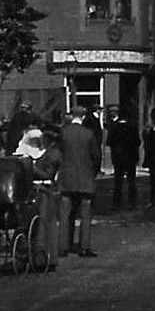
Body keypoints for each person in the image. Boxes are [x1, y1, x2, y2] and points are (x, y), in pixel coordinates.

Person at [13, 125, 62, 271]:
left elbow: (48, 174)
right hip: (35, 191)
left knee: (44, 223)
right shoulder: (41, 151)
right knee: (33, 223)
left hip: (45, 192)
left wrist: (32, 168)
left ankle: (42, 257)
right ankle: (31, 254)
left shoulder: (53, 153)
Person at [59, 105, 102, 257]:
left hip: (66, 179)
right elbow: (96, 156)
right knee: (85, 214)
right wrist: (93, 172)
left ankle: (63, 246)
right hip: (85, 178)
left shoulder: (63, 133)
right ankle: (84, 247)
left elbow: (58, 154)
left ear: (71, 116)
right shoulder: (89, 134)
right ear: (83, 117)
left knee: (65, 214)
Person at [106, 110, 141, 209]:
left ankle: (117, 203)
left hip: (118, 157)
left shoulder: (114, 128)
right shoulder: (132, 128)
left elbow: (109, 142)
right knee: (131, 181)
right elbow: (138, 142)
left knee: (118, 181)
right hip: (130, 157)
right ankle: (132, 202)